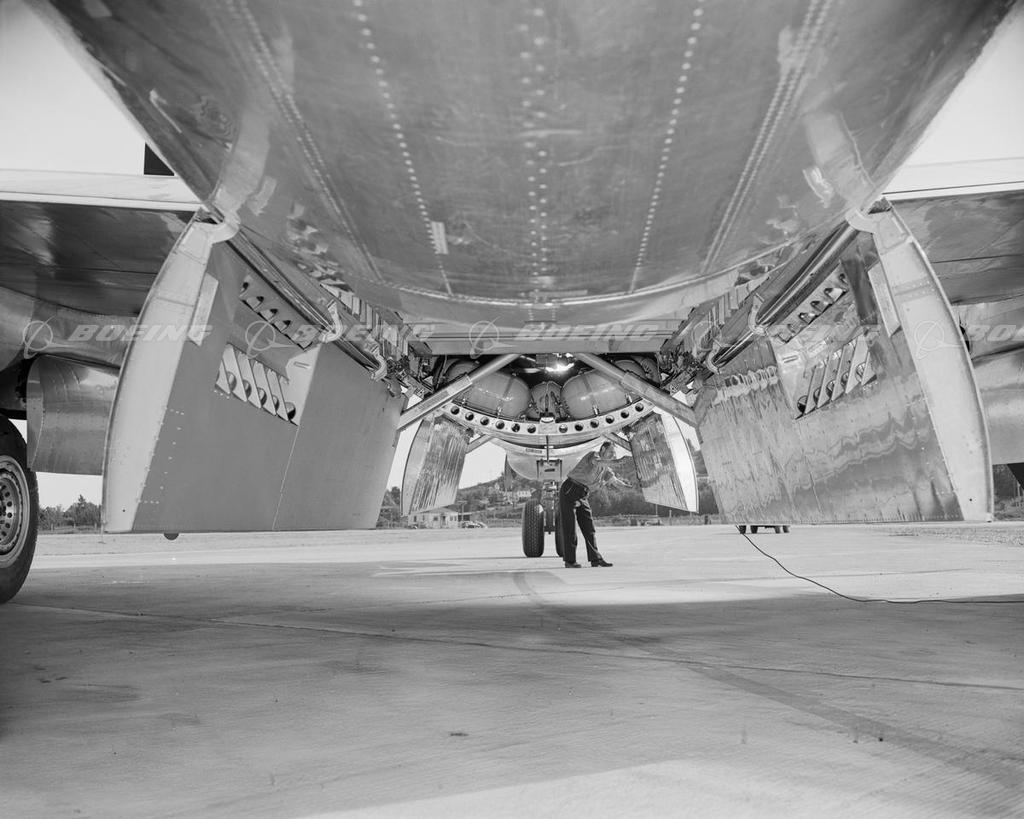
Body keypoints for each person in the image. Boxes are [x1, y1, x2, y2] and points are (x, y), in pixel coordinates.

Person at [559, 441, 629, 568]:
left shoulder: (605, 469)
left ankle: (595, 559)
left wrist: (630, 487)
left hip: (583, 493)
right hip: (571, 489)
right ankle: (570, 561)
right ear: (603, 450)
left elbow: (616, 482)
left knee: (589, 528)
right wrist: (617, 462)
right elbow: (597, 462)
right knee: (570, 528)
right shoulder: (593, 456)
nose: (613, 455)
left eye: (614, 453)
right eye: (611, 452)